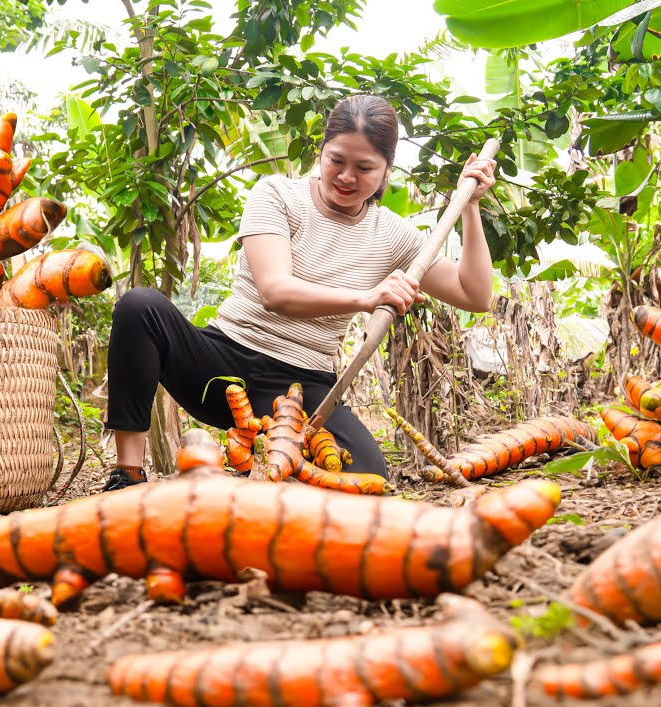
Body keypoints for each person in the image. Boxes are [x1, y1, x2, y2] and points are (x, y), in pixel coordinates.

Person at [101, 94, 497, 491]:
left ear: (386, 172)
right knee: (140, 306)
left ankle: (253, 471)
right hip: (222, 363)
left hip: (301, 384)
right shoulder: (277, 195)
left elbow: (474, 295)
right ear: (321, 151)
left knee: (367, 479)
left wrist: (470, 207)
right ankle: (128, 474)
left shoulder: (392, 234)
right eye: (336, 160)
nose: (346, 177)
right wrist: (366, 298)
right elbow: (276, 292)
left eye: (364, 168)